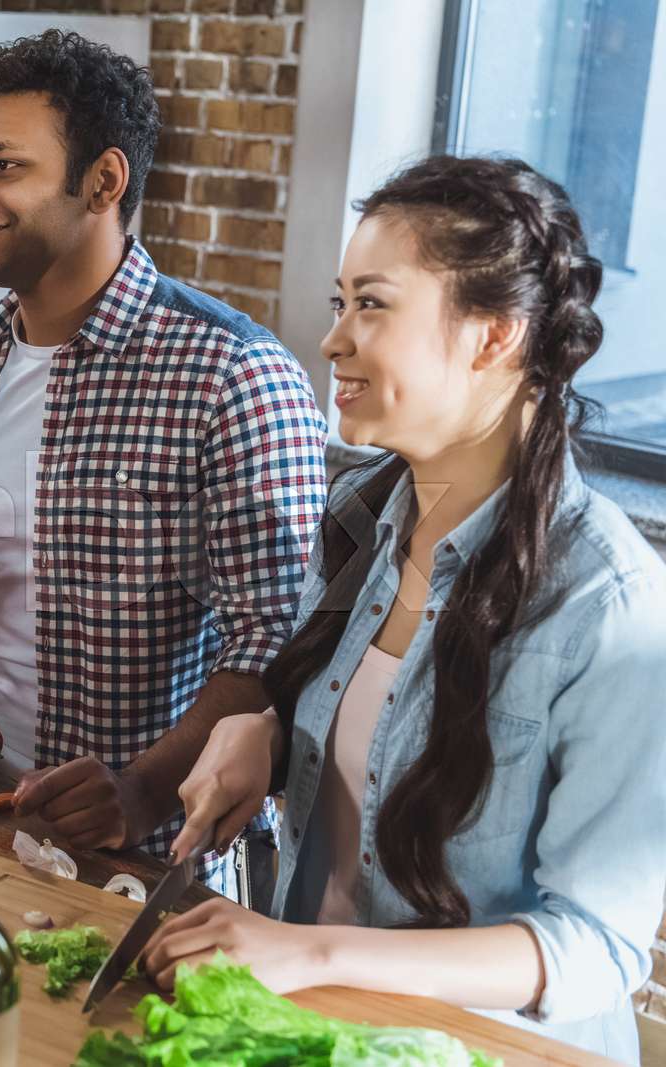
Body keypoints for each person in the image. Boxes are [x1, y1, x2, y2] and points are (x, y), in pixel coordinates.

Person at [154, 156, 666, 1064]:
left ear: (495, 337)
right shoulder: (360, 516)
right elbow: (370, 723)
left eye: (372, 305)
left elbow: (595, 946)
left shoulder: (610, 603)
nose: (333, 340)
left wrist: (305, 949)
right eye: (338, 302)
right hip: (316, 1030)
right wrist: (266, 732)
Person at [0, 30, 328, 893]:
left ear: (103, 182)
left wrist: (139, 791)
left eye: (2, 167)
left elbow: (275, 643)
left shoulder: (232, 374)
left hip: (156, 854)